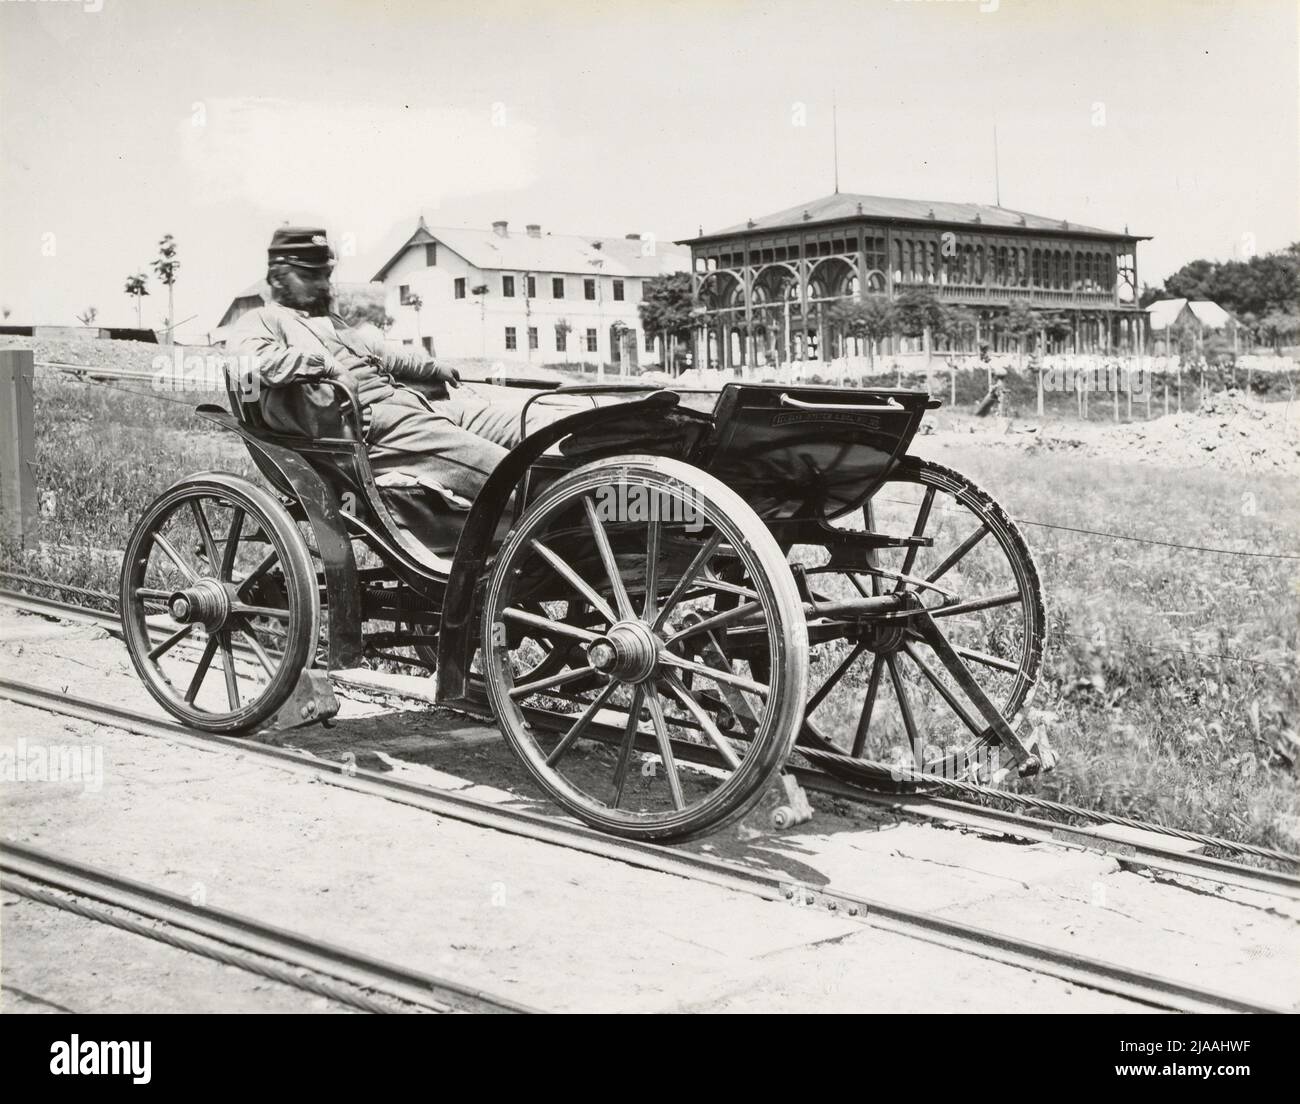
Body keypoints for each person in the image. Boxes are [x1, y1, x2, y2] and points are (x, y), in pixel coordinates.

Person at [230, 227, 580, 506]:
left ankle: (605, 475)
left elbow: (385, 353)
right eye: (310, 275)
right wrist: (327, 367)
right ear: (277, 279)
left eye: (325, 274)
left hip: (418, 407)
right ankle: (583, 514)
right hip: (371, 430)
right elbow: (247, 362)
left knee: (543, 422)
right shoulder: (262, 319)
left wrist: (432, 368)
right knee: (514, 472)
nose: (323, 284)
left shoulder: (331, 321)